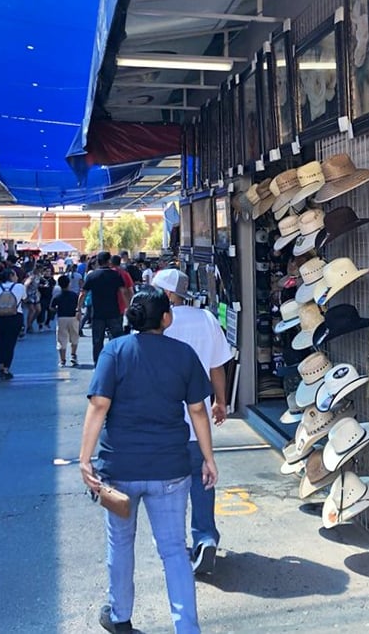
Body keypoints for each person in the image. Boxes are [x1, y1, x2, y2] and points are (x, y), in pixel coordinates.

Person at [79, 286, 218, 634]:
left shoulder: (115, 351)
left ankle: (120, 616)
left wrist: (85, 459)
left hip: (118, 469)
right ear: (166, 319)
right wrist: (207, 457)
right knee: (174, 551)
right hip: (169, 468)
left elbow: (99, 405)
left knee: (120, 543)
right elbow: (197, 410)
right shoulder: (183, 354)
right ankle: (187, 628)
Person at [153, 268, 232, 575]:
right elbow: (217, 367)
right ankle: (205, 538)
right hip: (198, 425)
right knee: (203, 480)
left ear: (167, 294)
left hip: (164, 422)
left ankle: (174, 545)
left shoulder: (155, 324)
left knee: (168, 486)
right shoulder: (207, 320)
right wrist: (221, 401)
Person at [78, 251, 126, 365]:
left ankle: (98, 364)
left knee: (97, 341)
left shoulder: (92, 276)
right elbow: (122, 292)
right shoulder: (116, 275)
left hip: (97, 313)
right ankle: (118, 362)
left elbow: (83, 293)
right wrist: (127, 307)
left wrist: (78, 308)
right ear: (109, 261)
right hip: (114, 312)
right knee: (117, 339)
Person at [0, 267, 26, 380]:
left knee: (1, 343)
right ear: (11, 276)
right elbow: (24, 299)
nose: (17, 277)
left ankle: (0, 366)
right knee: (10, 343)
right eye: (15, 275)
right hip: (15, 317)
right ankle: (6, 369)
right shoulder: (20, 287)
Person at [51, 274, 80, 367]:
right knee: (74, 337)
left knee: (61, 339)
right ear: (69, 284)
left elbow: (51, 308)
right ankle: (73, 356)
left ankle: (62, 360)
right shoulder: (74, 295)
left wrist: (57, 310)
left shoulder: (57, 296)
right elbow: (78, 305)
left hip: (61, 318)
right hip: (73, 318)